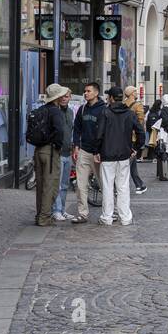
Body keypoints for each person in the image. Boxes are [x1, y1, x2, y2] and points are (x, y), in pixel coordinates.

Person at [94, 85, 147, 226]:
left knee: (107, 186)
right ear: (122, 97)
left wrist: (96, 151)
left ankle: (107, 217)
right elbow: (141, 132)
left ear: (111, 98)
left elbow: (99, 135)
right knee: (123, 187)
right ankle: (125, 217)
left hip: (107, 154)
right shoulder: (129, 113)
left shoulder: (105, 113)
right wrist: (135, 148)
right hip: (124, 154)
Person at [30, 83, 70, 227]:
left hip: (38, 150)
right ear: (57, 97)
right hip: (51, 151)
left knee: (40, 185)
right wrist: (58, 147)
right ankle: (44, 218)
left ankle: (39, 214)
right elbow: (59, 131)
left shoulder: (41, 109)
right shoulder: (55, 111)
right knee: (50, 185)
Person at [70, 82, 108, 224]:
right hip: (84, 151)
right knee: (80, 185)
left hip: (98, 153)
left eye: (89, 91)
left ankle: (110, 211)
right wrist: (76, 146)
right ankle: (82, 213)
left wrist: (102, 150)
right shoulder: (82, 109)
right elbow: (77, 129)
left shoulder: (104, 109)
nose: (86, 93)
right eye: (85, 91)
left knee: (104, 184)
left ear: (96, 93)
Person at [51, 90, 75, 221]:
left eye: (66, 96)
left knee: (65, 185)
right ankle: (56, 210)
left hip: (68, 152)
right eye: (62, 96)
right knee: (58, 184)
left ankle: (63, 209)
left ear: (70, 97)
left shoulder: (71, 112)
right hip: (58, 153)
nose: (64, 99)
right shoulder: (55, 111)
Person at [124, 86, 148, 194]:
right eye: (135, 91)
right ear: (132, 93)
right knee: (129, 162)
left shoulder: (123, 104)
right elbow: (141, 122)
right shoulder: (138, 105)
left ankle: (140, 185)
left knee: (130, 161)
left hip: (124, 136)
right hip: (133, 137)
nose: (137, 93)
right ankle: (139, 185)